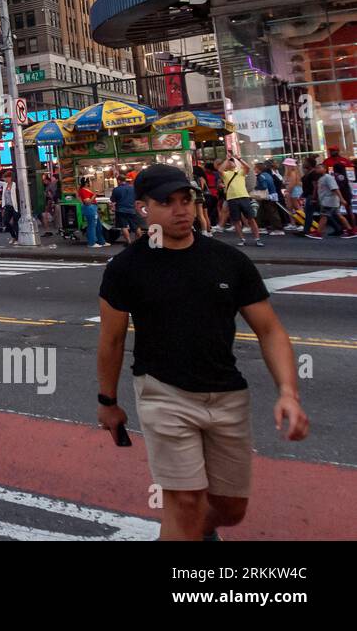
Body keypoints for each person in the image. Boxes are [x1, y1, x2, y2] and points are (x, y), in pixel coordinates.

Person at [96, 165, 309, 540]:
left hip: (227, 394)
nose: (182, 210)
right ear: (143, 208)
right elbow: (111, 341)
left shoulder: (227, 261)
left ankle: (197, 530)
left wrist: (288, 393)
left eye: (187, 200)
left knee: (230, 509)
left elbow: (270, 330)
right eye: (167, 202)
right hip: (163, 392)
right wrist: (107, 401)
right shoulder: (126, 268)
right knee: (186, 502)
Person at [216, 153, 264, 247]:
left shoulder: (240, 172)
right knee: (236, 220)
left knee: (251, 219)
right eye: (229, 163)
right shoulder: (225, 174)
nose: (231, 163)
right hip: (232, 199)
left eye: (232, 162)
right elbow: (220, 170)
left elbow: (248, 168)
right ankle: (242, 239)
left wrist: (239, 159)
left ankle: (257, 239)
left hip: (244, 197)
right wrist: (227, 159)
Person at [307, 163, 357, 239]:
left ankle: (318, 233)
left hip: (329, 201)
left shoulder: (328, 177)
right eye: (316, 168)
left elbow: (335, 188)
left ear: (324, 169)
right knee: (339, 215)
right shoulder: (321, 178)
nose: (317, 169)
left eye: (319, 168)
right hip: (329, 200)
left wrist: (342, 199)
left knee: (324, 216)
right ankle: (350, 230)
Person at [110, 175, 140, 245]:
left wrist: (113, 206)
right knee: (136, 226)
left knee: (124, 226)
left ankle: (129, 242)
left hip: (121, 210)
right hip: (132, 209)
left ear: (119, 181)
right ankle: (139, 242)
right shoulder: (133, 188)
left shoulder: (116, 189)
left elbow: (113, 200)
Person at [77, 180, 106, 247]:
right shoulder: (83, 190)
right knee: (92, 226)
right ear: (86, 183)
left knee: (98, 225)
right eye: (89, 181)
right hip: (90, 208)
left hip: (92, 208)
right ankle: (91, 243)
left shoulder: (86, 190)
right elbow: (87, 202)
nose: (91, 182)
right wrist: (95, 195)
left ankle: (101, 241)